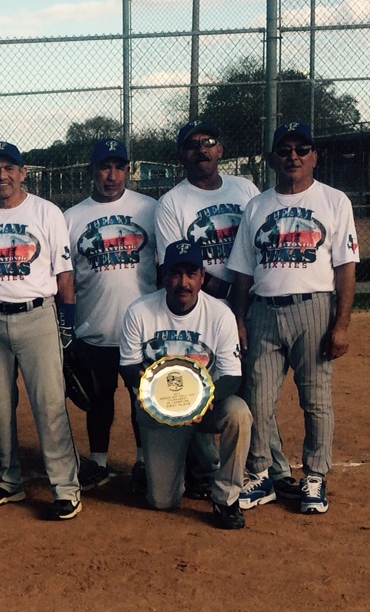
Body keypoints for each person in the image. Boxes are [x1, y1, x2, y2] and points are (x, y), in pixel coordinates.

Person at [156, 119, 296, 501]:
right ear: (182, 155)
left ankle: (271, 467)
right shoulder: (173, 203)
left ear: (221, 150)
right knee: (197, 381)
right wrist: (231, 291)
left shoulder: (244, 189)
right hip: (200, 309)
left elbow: (256, 247)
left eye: (209, 142)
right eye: (192, 145)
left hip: (247, 305)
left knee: (255, 389)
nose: (201, 149)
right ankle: (206, 471)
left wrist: (241, 299)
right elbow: (178, 266)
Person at [227, 122, 359, 515]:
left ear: (315, 156)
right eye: (285, 151)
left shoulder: (334, 201)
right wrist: (240, 318)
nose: (294, 157)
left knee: (315, 398)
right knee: (257, 400)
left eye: (302, 149)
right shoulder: (257, 205)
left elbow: (346, 268)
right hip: (264, 307)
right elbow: (243, 271)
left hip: (313, 307)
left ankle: (315, 477)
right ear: (272, 160)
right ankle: (261, 474)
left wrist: (341, 324)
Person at [0, 141, 82, 520]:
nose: (2, 175)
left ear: (23, 172)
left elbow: (64, 274)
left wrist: (67, 325)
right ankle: (8, 481)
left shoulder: (46, 211)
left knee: (49, 405)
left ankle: (65, 487)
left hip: (37, 314)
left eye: (9, 167)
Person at [120, 240, 251, 530]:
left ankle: (226, 499)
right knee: (162, 501)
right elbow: (128, 365)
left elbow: (232, 375)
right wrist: (152, 396)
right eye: (175, 274)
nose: (183, 282)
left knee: (239, 413)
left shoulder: (219, 314)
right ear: (163, 275)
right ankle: (191, 463)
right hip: (159, 411)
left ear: (202, 277)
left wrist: (202, 404)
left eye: (191, 274)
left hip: (207, 407)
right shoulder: (140, 311)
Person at [63, 139, 157, 492]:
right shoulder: (72, 217)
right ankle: (98, 461)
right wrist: (68, 328)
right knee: (99, 399)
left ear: (128, 171)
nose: (112, 175)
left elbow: (166, 267)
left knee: (143, 400)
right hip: (94, 325)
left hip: (143, 327)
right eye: (105, 167)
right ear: (93, 172)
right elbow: (67, 278)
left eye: (119, 167)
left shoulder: (150, 209)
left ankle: (144, 461)